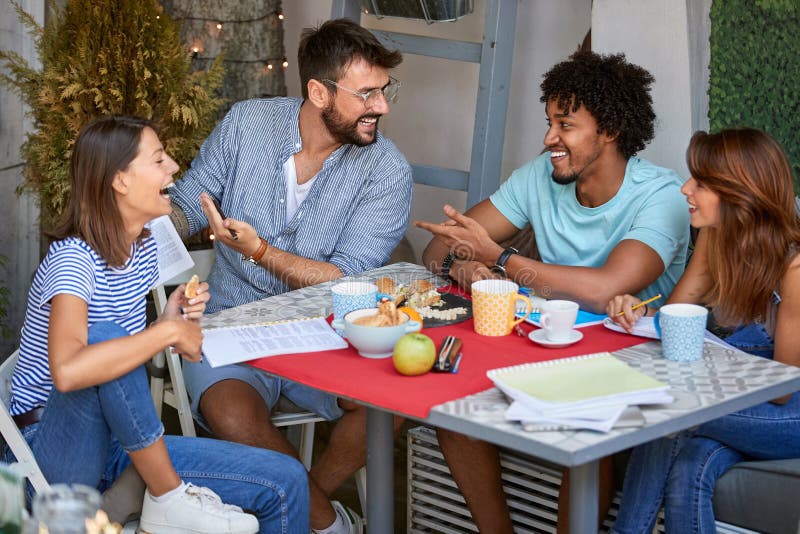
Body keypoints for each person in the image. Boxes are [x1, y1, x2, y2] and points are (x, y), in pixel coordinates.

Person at [415, 50, 691, 532]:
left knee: (583, 426)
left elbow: (607, 289)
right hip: (546, 343)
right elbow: (439, 249)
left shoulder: (660, 197)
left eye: (565, 125)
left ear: (608, 130)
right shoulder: (539, 177)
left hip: (630, 358)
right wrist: (467, 270)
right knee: (452, 411)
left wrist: (496, 257)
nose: (549, 139)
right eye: (549, 122)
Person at [5, 115, 310, 533]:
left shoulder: (143, 248)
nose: (174, 168)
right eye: (159, 159)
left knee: (286, 481)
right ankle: (164, 496)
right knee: (105, 338)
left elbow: (139, 358)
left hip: (121, 445)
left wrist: (173, 318)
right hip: (45, 458)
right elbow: (68, 370)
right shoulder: (73, 261)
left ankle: (139, 492)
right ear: (120, 181)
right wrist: (163, 333)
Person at [167, 18, 412, 534]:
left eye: (385, 91)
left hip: (331, 334)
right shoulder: (246, 126)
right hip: (232, 325)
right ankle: (329, 524)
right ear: (319, 92)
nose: (382, 107)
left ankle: (309, 509)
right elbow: (188, 205)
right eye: (366, 93)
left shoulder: (387, 170)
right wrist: (137, 220)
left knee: (392, 405)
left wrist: (259, 251)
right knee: (233, 416)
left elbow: (348, 280)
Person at [606, 128, 800, 534]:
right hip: (746, 394)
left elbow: (780, 389)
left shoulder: (795, 271)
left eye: (702, 183)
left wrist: (700, 386)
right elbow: (674, 316)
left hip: (789, 412)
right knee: (691, 464)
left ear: (738, 194)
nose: (685, 188)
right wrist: (632, 307)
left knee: (669, 417)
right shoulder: (717, 238)